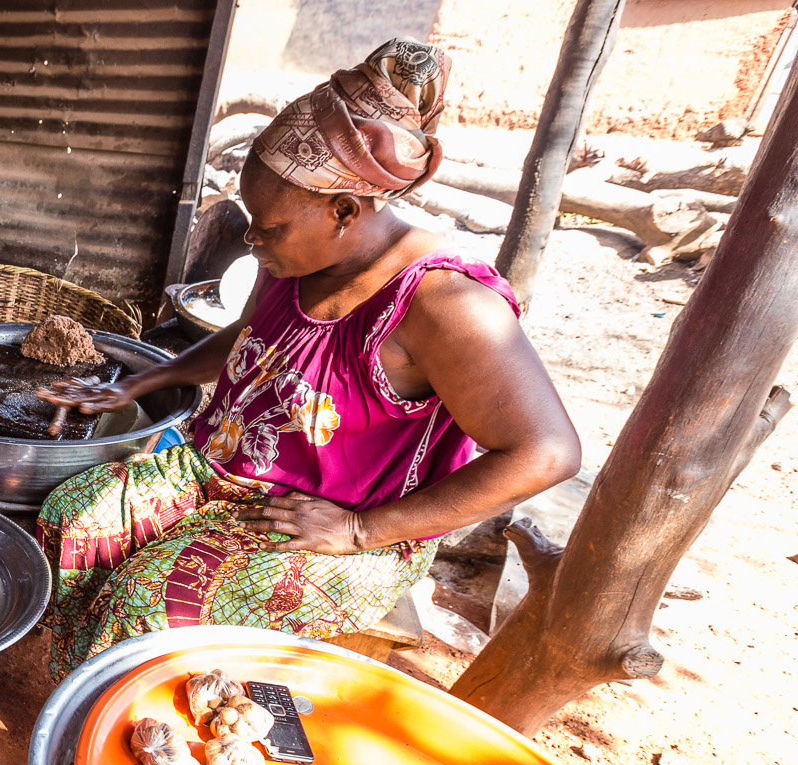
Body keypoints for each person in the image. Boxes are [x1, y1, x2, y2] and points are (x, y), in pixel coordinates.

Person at [36, 39, 580, 679]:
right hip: (224, 473)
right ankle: (79, 687)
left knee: (148, 597)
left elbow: (547, 453)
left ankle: (125, 732)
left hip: (339, 523)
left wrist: (361, 531)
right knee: (71, 519)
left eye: (267, 227)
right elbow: (255, 340)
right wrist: (146, 380)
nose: (251, 240)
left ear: (344, 210)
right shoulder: (299, 259)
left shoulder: (444, 304)